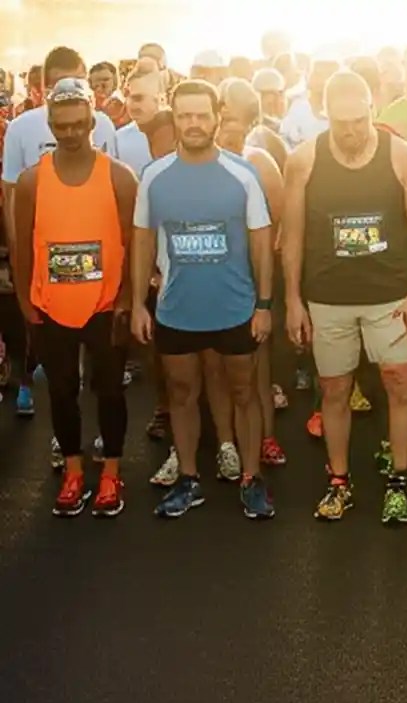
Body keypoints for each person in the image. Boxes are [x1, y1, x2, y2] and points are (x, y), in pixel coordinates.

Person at [282, 71, 407, 524]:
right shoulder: (304, 161)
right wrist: (292, 300)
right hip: (329, 297)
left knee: (400, 384)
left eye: (358, 119)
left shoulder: (400, 156)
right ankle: (339, 481)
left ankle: (399, 482)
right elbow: (292, 236)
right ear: (325, 115)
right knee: (335, 390)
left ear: (373, 109)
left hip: (389, 295)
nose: (350, 130)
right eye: (340, 121)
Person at [129, 79, 275, 519]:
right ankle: (189, 478)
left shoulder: (242, 174)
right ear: (174, 118)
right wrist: (137, 302)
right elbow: (141, 242)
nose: (193, 124)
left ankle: (252, 479)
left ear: (217, 118)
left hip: (235, 308)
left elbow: (262, 243)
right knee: (181, 393)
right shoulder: (154, 176)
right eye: (185, 115)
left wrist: (265, 305)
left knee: (244, 393)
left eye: (202, 115)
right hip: (178, 309)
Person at [9, 78, 136, 516]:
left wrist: (128, 299)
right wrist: (27, 302)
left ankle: (111, 472)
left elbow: (135, 245)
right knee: (61, 392)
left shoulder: (120, 177)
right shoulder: (31, 181)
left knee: (110, 393)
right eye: (61, 126)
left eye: (78, 123)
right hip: (51, 306)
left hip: (105, 306)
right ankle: (75, 471)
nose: (70, 133)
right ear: (50, 123)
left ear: (93, 119)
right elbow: (22, 243)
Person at [3, 47, 118, 429]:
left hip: (100, 285)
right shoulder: (22, 128)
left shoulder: (105, 127)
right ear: (43, 86)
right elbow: (11, 199)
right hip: (49, 276)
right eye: (56, 82)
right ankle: (61, 441)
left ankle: (106, 451)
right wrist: (23, 277)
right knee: (61, 377)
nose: (70, 132)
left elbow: (118, 201)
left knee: (104, 380)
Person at [219, 78, 288, 468]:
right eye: (222, 117)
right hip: (212, 278)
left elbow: (281, 227)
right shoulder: (203, 160)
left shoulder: (260, 162)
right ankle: (227, 442)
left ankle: (266, 437)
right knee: (219, 368)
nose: (225, 125)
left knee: (258, 367)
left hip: (253, 280)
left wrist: (266, 286)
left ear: (247, 121)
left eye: (231, 117)